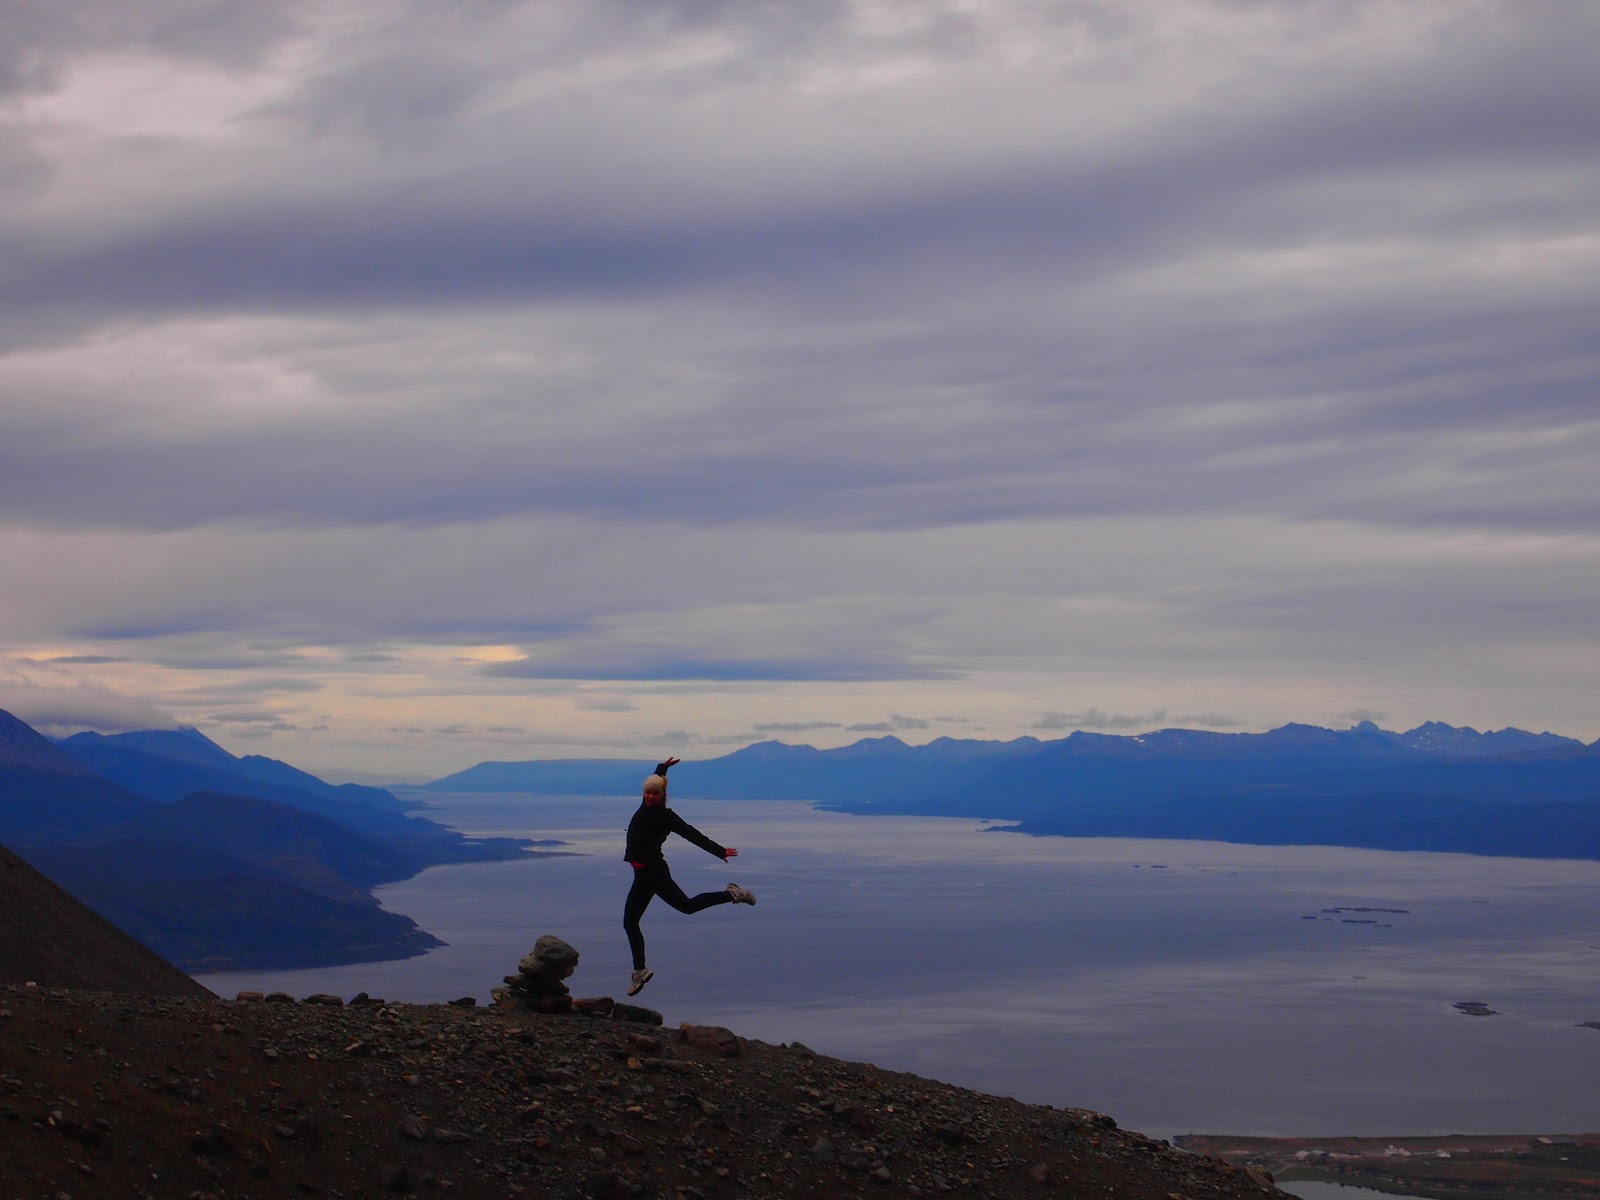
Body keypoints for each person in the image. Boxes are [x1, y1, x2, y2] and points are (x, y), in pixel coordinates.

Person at [622, 757, 755, 995]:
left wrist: (719, 851)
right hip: (641, 875)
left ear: (663, 796)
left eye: (655, 794)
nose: (650, 797)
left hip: (654, 873)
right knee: (630, 922)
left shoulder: (666, 816)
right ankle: (640, 970)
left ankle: (732, 894)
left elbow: (692, 834)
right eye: (647, 793)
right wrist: (662, 768)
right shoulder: (644, 806)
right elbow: (655, 781)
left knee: (687, 906)